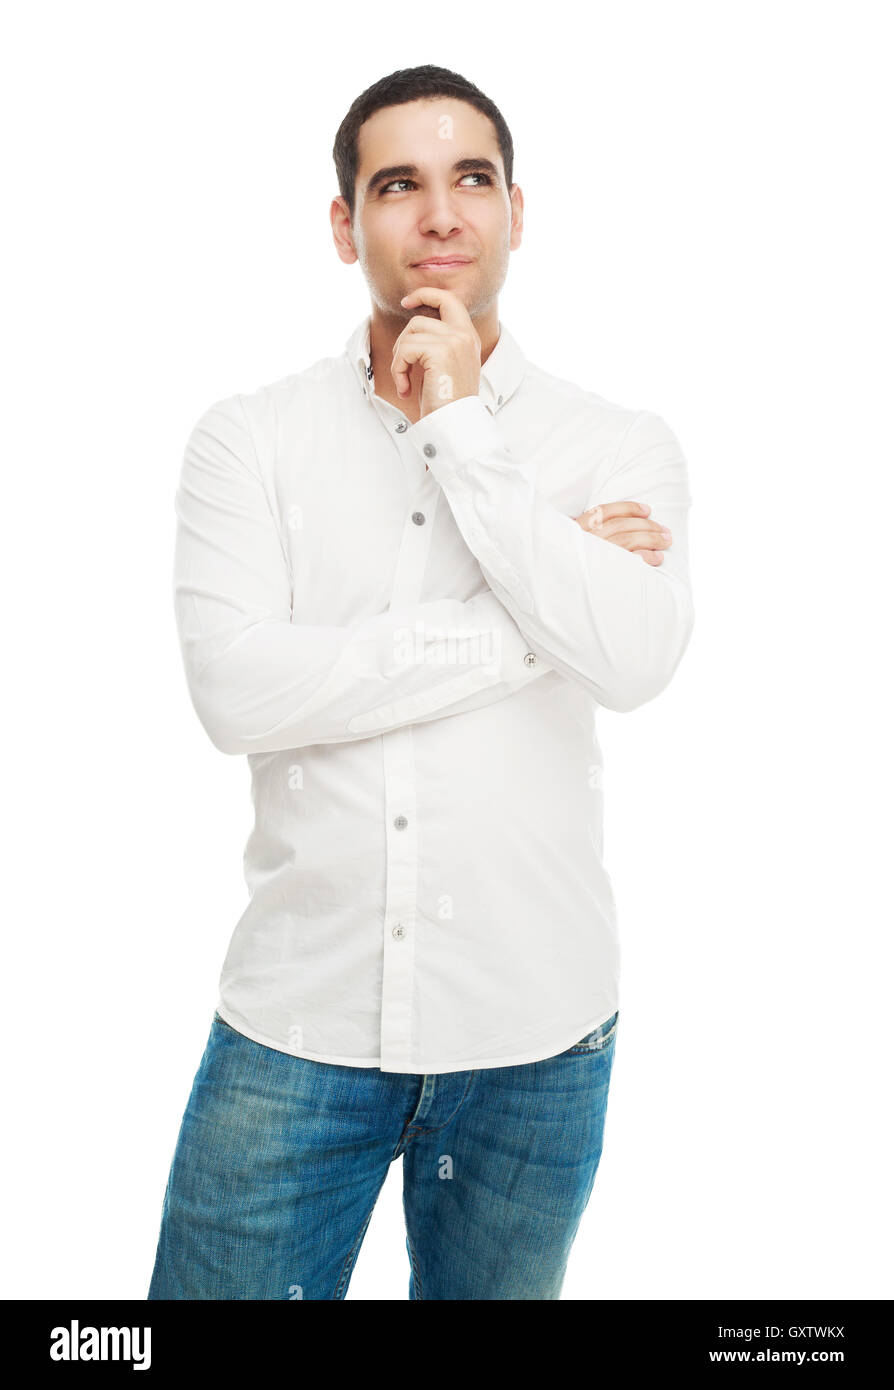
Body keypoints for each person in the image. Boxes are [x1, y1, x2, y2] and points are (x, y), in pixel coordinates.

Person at [148, 63, 695, 1301]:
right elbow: (237, 691)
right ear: (347, 224)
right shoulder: (251, 438)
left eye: (473, 181)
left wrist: (460, 430)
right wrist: (530, 627)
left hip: (536, 1035)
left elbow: (639, 661)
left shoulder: (618, 445)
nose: (440, 214)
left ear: (515, 212)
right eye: (399, 184)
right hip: (300, 1024)